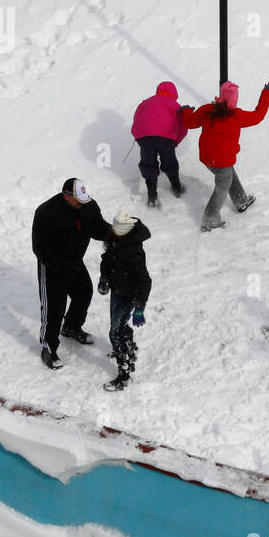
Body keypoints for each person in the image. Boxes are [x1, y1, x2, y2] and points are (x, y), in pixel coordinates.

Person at [31, 177, 111, 369]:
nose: (82, 202)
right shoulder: (46, 212)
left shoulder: (87, 205)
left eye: (84, 198)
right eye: (78, 199)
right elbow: (40, 248)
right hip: (52, 266)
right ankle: (48, 347)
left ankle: (71, 327)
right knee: (54, 309)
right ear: (67, 196)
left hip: (74, 260)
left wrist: (115, 232)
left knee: (84, 293)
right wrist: (60, 266)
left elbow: (97, 227)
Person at [180, 79, 269, 232]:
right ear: (235, 100)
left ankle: (241, 200)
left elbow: (190, 123)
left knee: (227, 174)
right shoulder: (236, 115)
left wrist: (185, 111)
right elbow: (258, 115)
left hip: (207, 158)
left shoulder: (207, 110)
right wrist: (267, 93)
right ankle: (211, 219)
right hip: (222, 160)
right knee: (222, 186)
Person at [97, 211, 151, 392]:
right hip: (117, 291)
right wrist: (104, 278)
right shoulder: (117, 240)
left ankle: (124, 374)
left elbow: (144, 281)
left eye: (116, 229)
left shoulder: (132, 252)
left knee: (115, 333)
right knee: (118, 325)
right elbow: (107, 260)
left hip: (128, 295)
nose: (112, 231)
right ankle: (130, 349)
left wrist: (139, 307)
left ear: (125, 231)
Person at [131, 81, 190, 208]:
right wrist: (175, 141)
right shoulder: (174, 104)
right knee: (169, 162)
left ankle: (152, 196)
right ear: (174, 93)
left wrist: (139, 137)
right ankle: (177, 188)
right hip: (166, 137)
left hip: (144, 137)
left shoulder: (145, 103)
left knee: (148, 163)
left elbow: (136, 119)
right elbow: (182, 126)